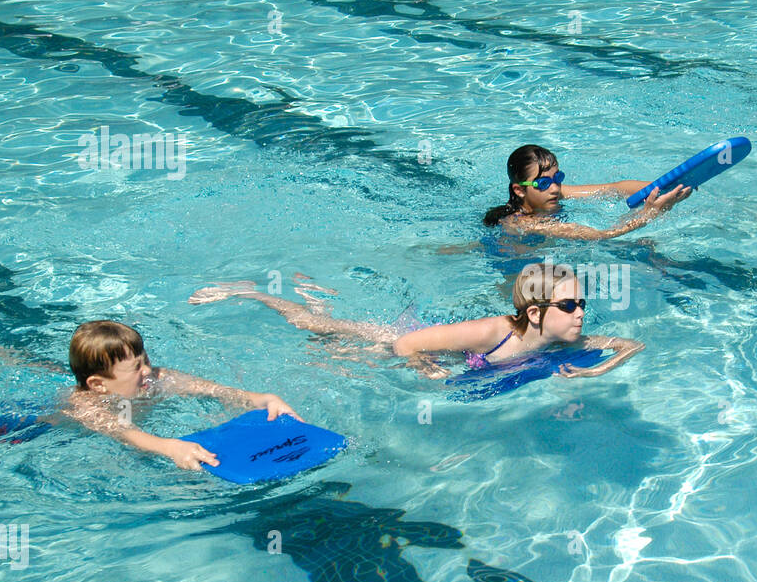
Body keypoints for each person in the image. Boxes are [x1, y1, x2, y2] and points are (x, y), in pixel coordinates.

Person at [189, 263, 643, 379]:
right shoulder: (494, 330)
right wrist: (421, 366)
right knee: (314, 333)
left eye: (582, 302)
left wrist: (597, 369)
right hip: (403, 339)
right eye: (569, 306)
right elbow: (408, 346)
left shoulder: (560, 342)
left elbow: (631, 345)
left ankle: (316, 296)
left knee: (327, 348)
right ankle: (249, 290)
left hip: (435, 348)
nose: (581, 312)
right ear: (535, 313)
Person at [63, 320, 299, 470]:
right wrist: (170, 447)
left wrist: (264, 399)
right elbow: (126, 433)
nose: (147, 371)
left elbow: (214, 391)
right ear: (98, 385)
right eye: (136, 367)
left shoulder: (156, 377)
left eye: (146, 360)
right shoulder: (86, 406)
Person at [482, 144, 692, 240]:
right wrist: (649, 214)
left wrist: (665, 186)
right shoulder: (521, 223)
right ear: (519, 190)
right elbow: (601, 235)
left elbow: (613, 188)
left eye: (558, 178)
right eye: (544, 183)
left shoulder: (555, 193)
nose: (555, 187)